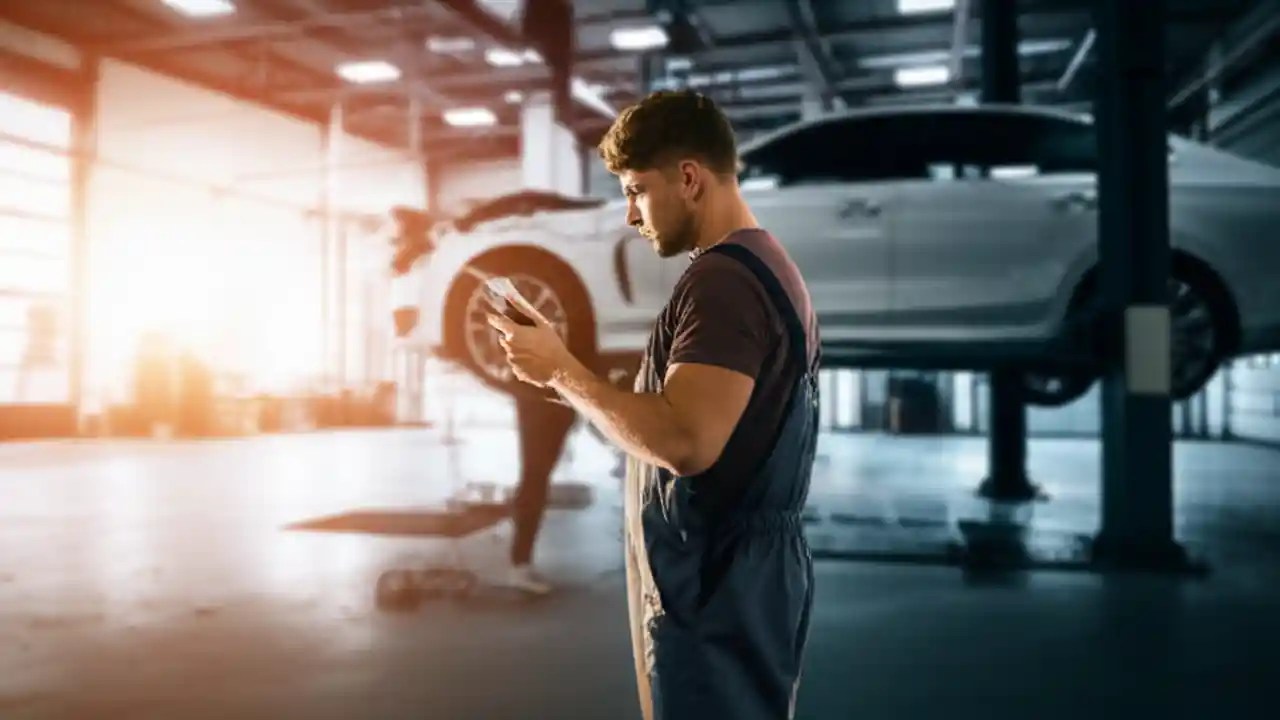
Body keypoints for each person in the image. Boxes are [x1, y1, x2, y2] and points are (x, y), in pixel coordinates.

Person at [486, 89, 820, 720]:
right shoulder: (767, 266)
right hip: (737, 578)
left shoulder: (722, 282)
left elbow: (686, 441)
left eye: (636, 189)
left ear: (689, 178)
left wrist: (563, 371)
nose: (630, 215)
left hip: (717, 586)